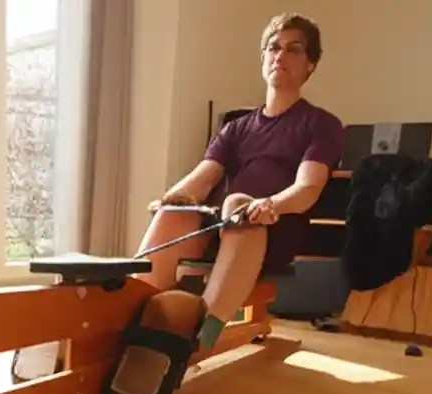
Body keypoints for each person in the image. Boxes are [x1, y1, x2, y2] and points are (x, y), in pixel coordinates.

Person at [138, 12, 344, 351]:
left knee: (237, 203)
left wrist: (268, 205)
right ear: (263, 58)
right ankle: (139, 307)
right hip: (224, 227)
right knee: (176, 209)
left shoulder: (321, 124)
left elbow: (307, 189)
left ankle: (204, 331)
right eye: (273, 47)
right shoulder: (235, 127)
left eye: (294, 49)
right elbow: (201, 179)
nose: (280, 55)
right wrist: (170, 198)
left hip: (273, 230)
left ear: (311, 65)